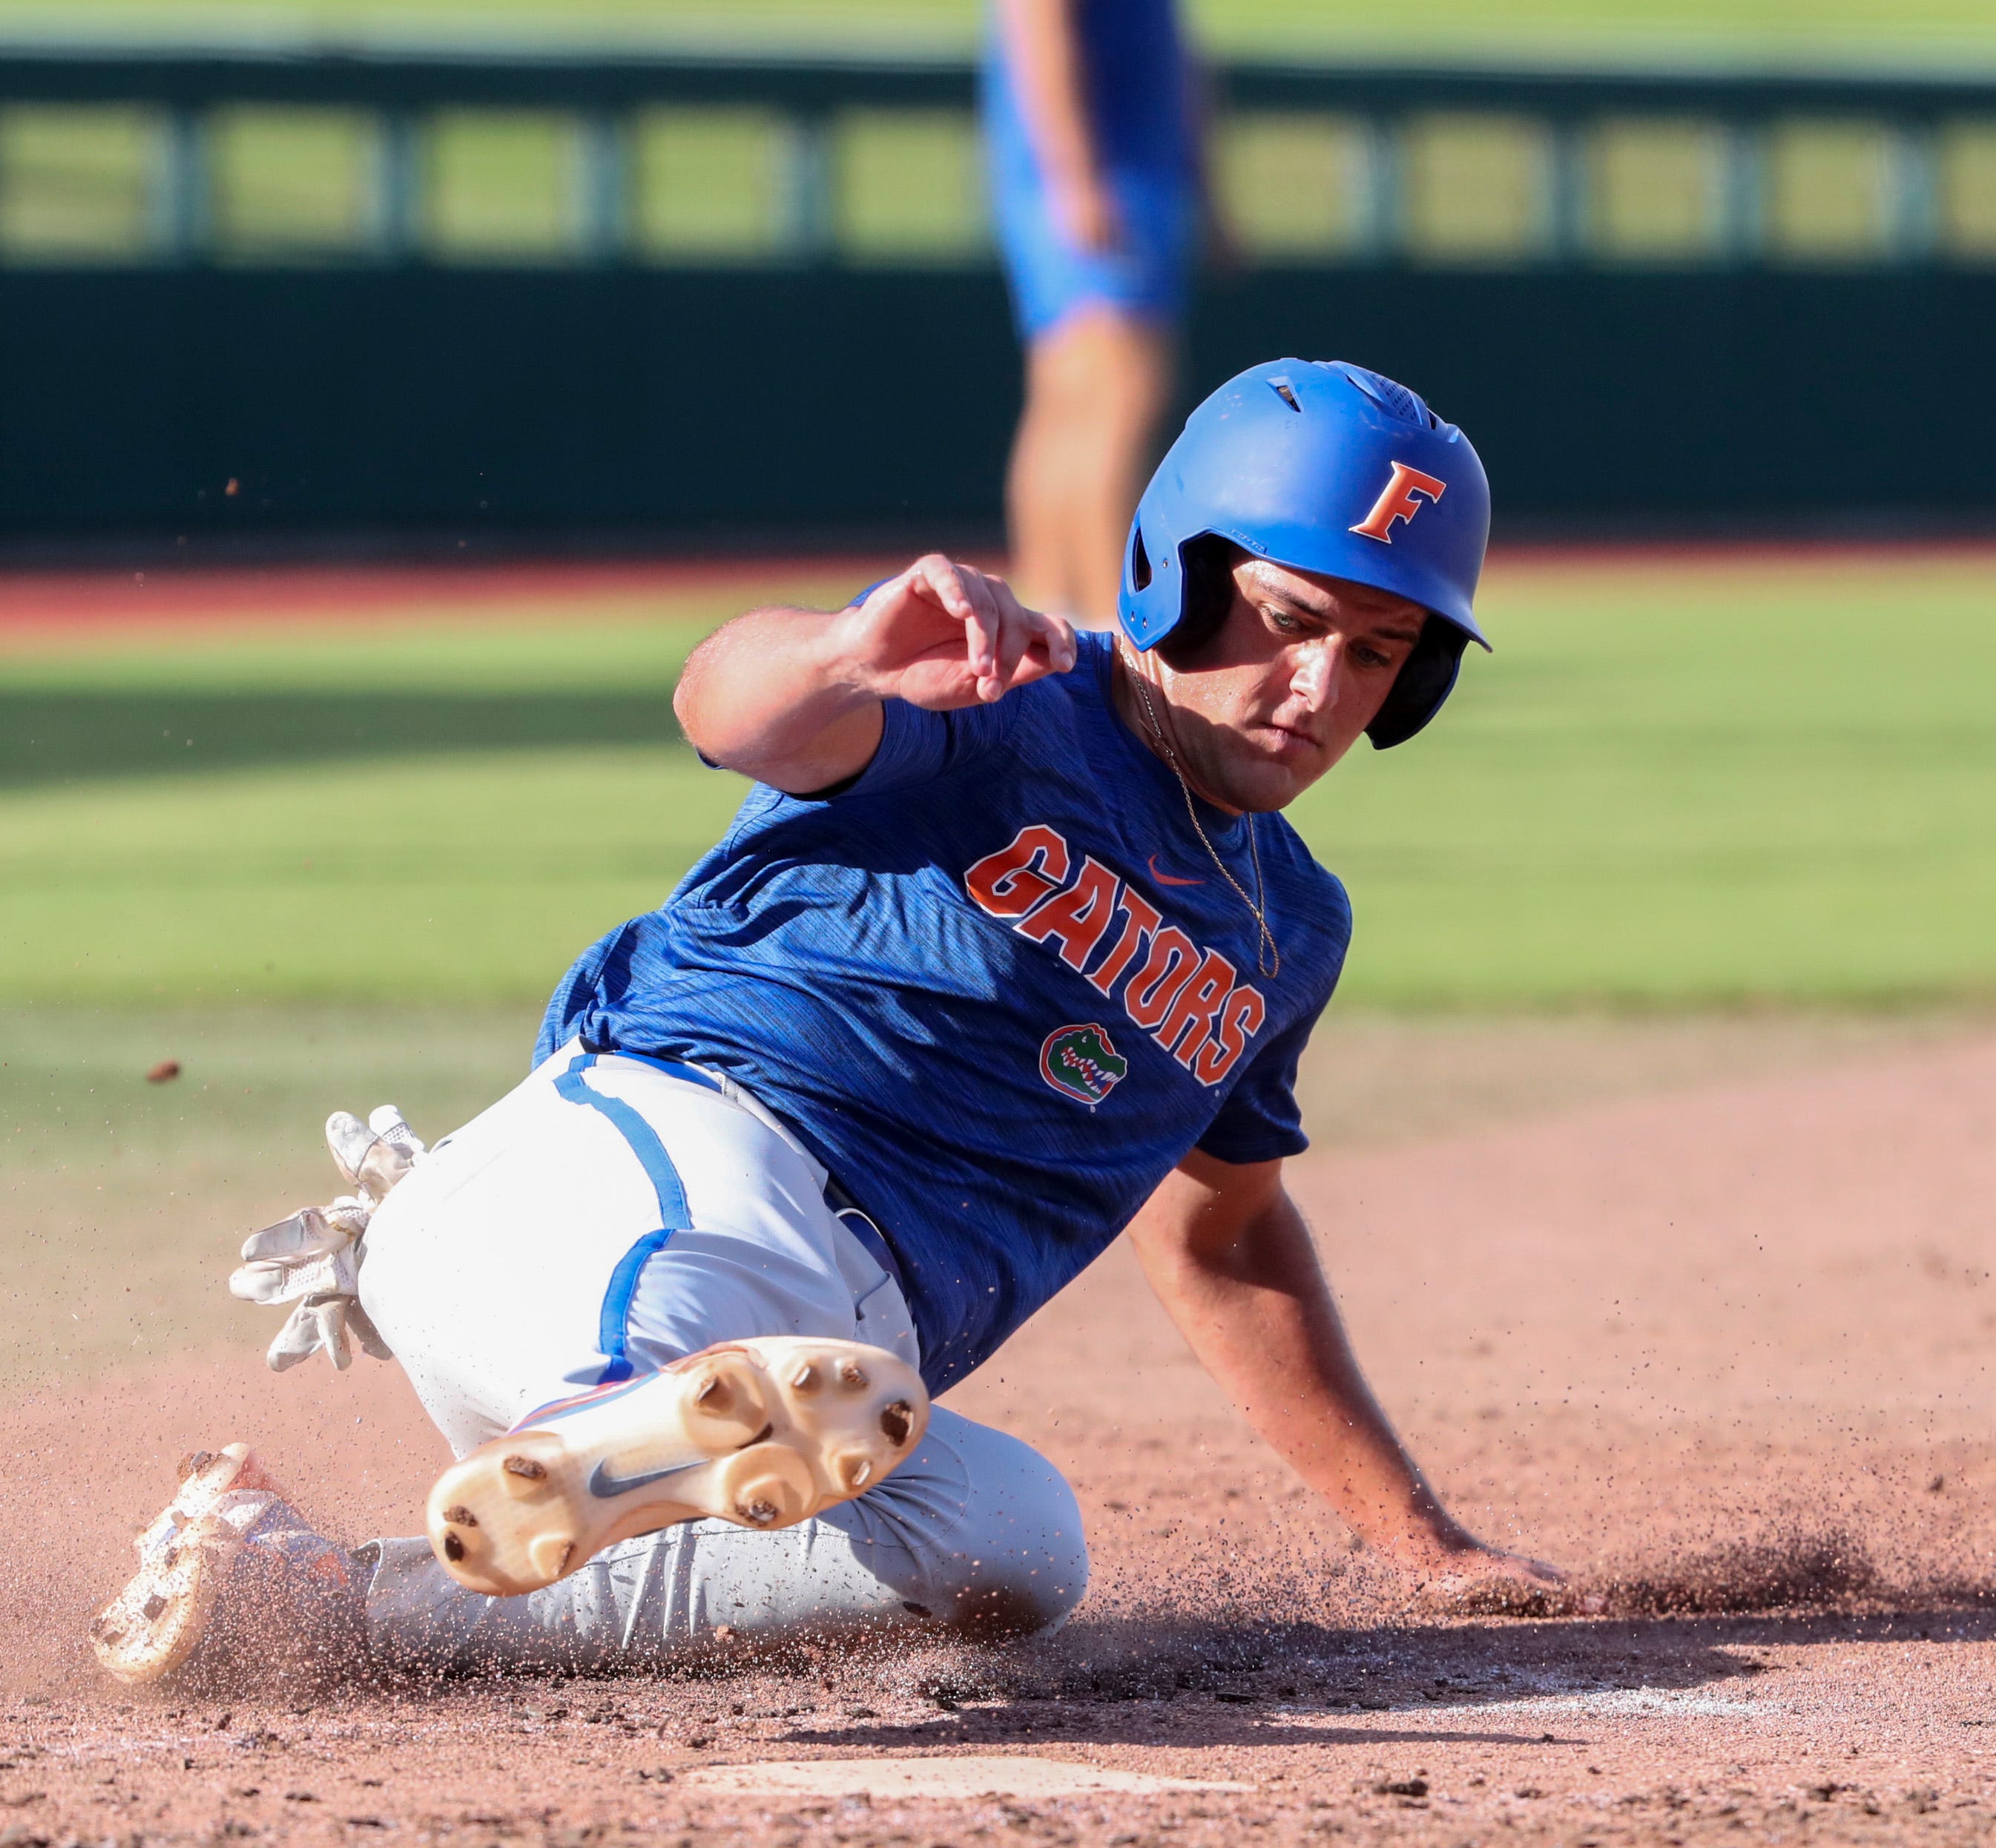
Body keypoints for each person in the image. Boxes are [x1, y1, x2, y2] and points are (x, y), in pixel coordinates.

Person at [92, 359, 1572, 1691]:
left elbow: (1224, 1239)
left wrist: (1417, 1541)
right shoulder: (1001, 689)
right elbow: (726, 708)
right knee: (678, 1342)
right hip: (639, 1180)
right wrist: (847, 655)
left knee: (1008, 1552)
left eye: (1376, 652)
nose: (1317, 688)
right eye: (1291, 618)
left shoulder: (1286, 928)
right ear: (1169, 570)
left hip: (820, 1372)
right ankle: (629, 1415)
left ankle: (327, 1597)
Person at [984, 0, 1207, 629]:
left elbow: (1180, 59)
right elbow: (1038, 23)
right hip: (1103, 180)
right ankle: (1110, 619)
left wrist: (1202, 183)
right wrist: (1076, 177)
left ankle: (1055, 616)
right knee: (1118, 392)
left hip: (1134, 175)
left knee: (1075, 395)